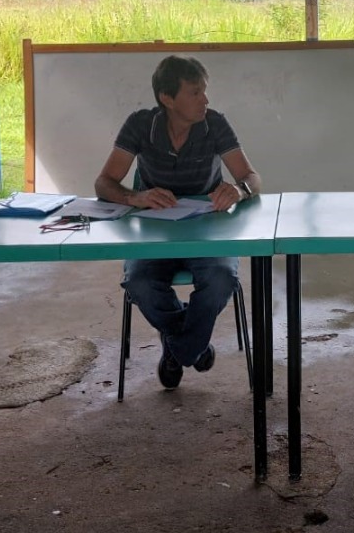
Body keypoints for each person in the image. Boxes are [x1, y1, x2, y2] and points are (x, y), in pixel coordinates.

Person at [94, 55, 261, 390]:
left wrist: (239, 190)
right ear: (167, 99)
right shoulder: (140, 125)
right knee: (139, 283)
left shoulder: (214, 124)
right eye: (195, 93)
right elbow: (104, 183)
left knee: (221, 279)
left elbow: (252, 178)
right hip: (154, 232)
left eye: (204, 91)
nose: (205, 100)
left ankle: (178, 347)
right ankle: (192, 345)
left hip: (208, 231)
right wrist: (134, 197)